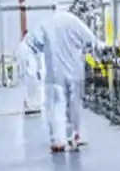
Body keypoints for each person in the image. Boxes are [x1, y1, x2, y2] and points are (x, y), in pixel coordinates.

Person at [27, 10, 96, 153]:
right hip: (75, 71)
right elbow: (91, 41)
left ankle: (57, 141)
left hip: (54, 72)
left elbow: (35, 45)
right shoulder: (75, 22)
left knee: (54, 106)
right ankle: (73, 137)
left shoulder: (46, 24)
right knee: (74, 106)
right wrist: (82, 50)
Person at [16, 35, 44, 114]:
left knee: (30, 89)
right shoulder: (24, 48)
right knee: (30, 89)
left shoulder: (27, 48)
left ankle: (31, 105)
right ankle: (31, 105)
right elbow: (26, 64)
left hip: (28, 73)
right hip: (28, 73)